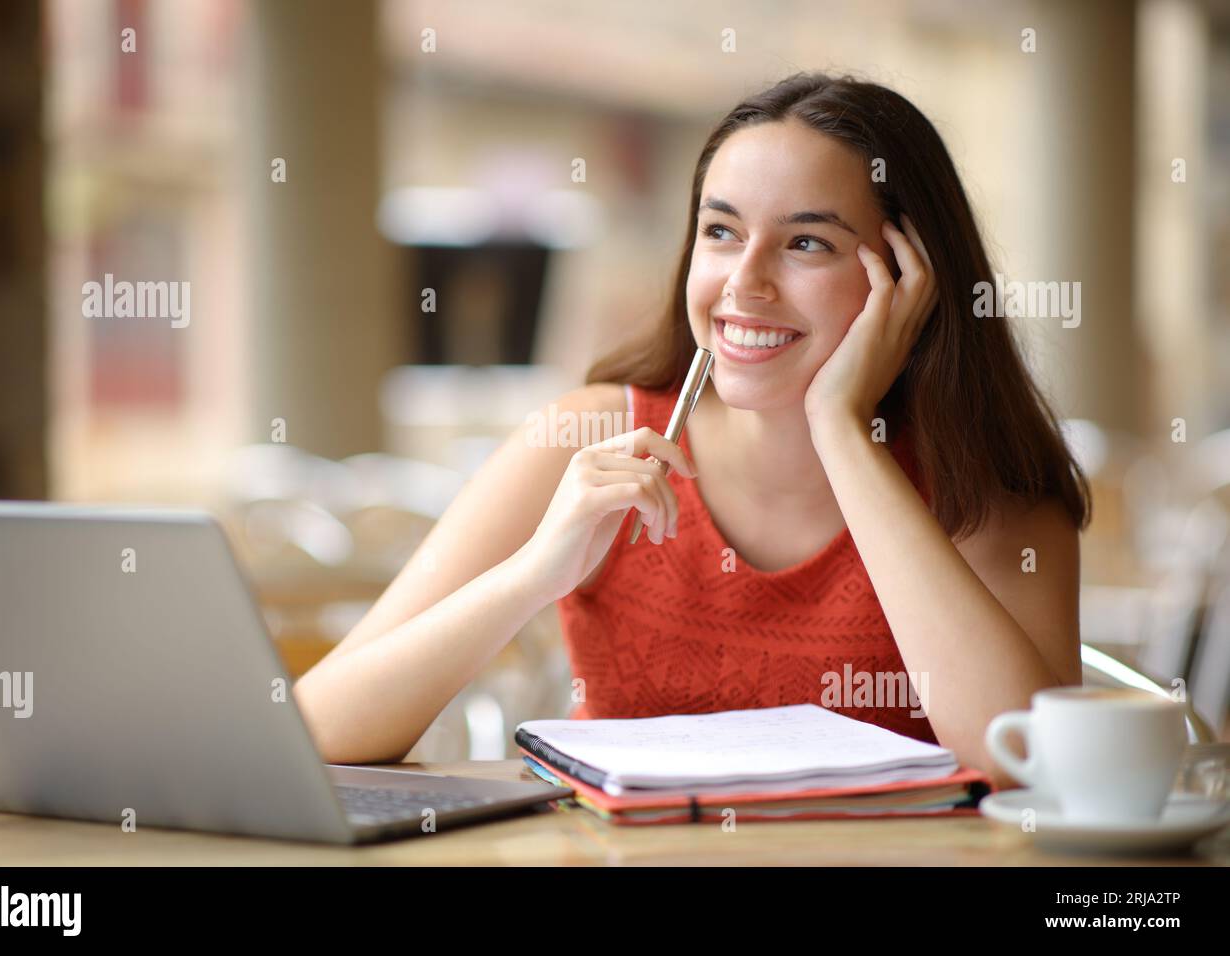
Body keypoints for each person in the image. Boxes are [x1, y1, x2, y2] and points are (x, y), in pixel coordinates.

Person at [294, 72, 1091, 790]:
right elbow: (319, 730)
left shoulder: (990, 485)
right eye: (721, 232)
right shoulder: (591, 436)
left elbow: (1028, 763)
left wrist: (843, 434)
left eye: (806, 242)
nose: (744, 284)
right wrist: (537, 573)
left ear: (908, 279)